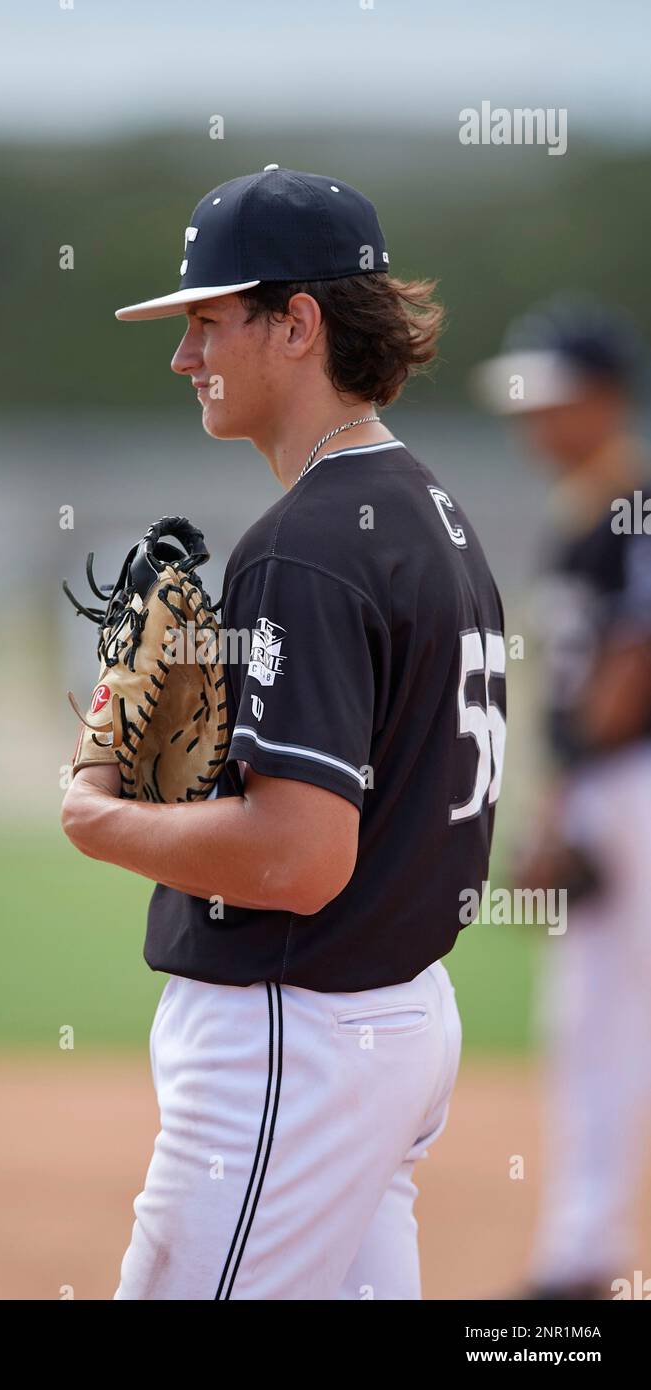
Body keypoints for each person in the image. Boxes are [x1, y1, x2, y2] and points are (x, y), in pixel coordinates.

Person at [62, 166, 506, 1300]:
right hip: (385, 1018)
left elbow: (300, 858)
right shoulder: (431, 513)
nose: (184, 356)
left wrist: (103, 818)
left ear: (297, 323)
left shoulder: (305, 542)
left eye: (209, 322)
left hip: (293, 1033)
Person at [473, 295, 651, 1299]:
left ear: (607, 398)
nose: (531, 421)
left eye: (552, 399)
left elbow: (634, 653)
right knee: (588, 1022)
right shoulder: (581, 511)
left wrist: (572, 789)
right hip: (603, 785)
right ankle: (581, 1251)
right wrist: (555, 806)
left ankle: (582, 1245)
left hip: (634, 784)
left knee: (602, 1017)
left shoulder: (636, 499)